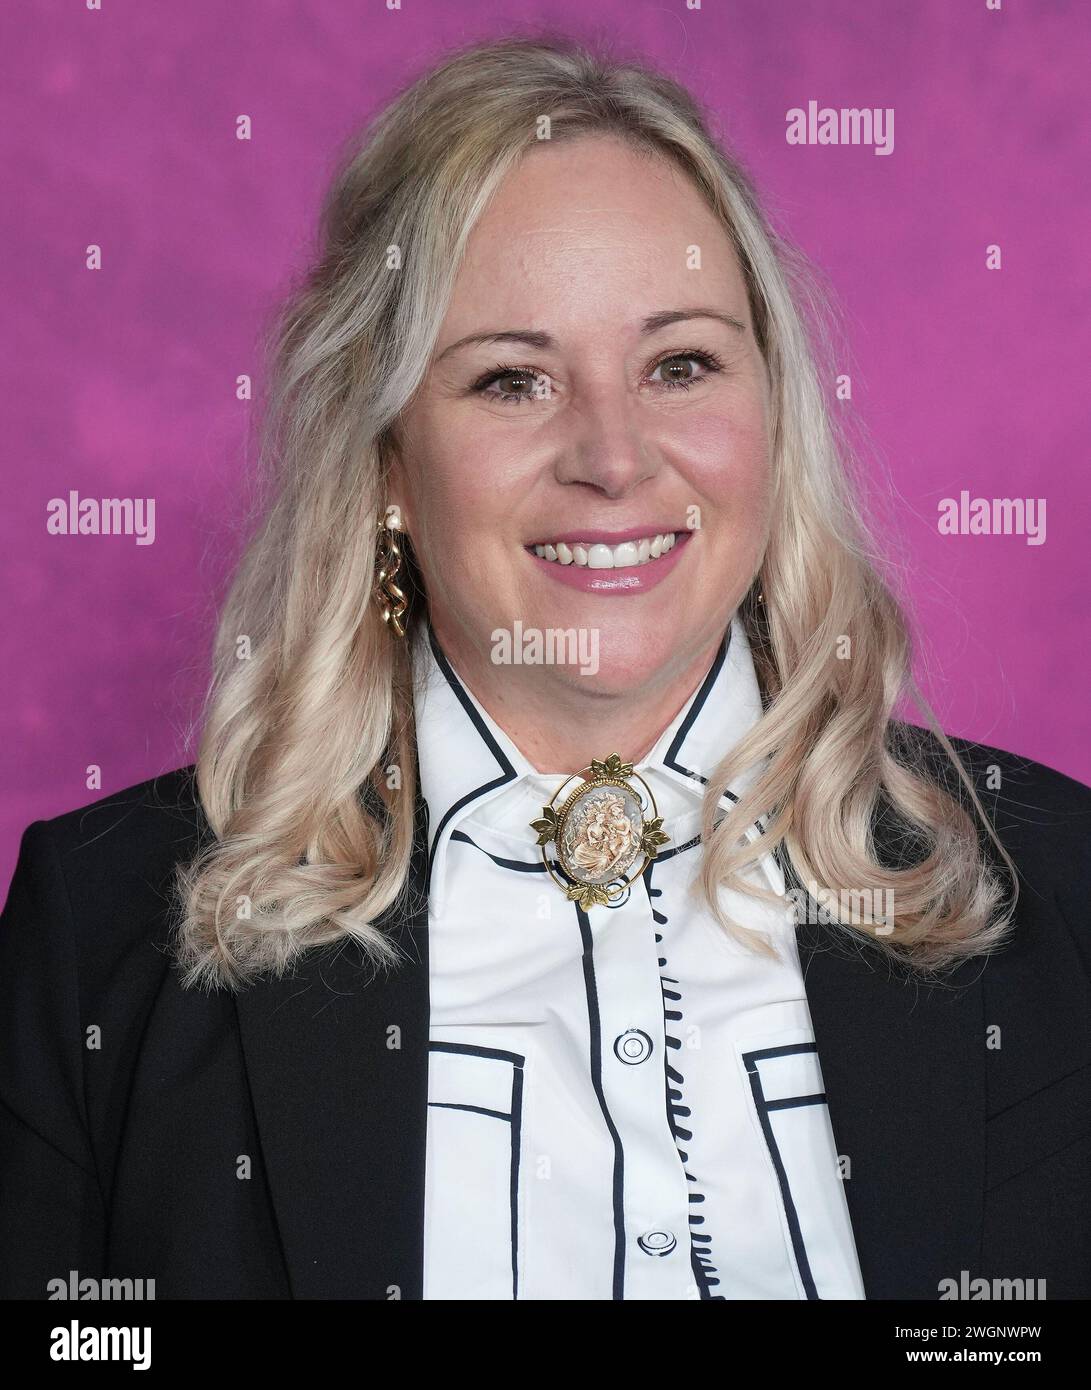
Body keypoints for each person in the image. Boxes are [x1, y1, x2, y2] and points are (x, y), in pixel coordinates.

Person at [2, 33, 1089, 1302]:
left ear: (773, 409)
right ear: (387, 461)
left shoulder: (1056, 880)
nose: (613, 459)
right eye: (512, 380)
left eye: (679, 364)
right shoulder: (97, 938)